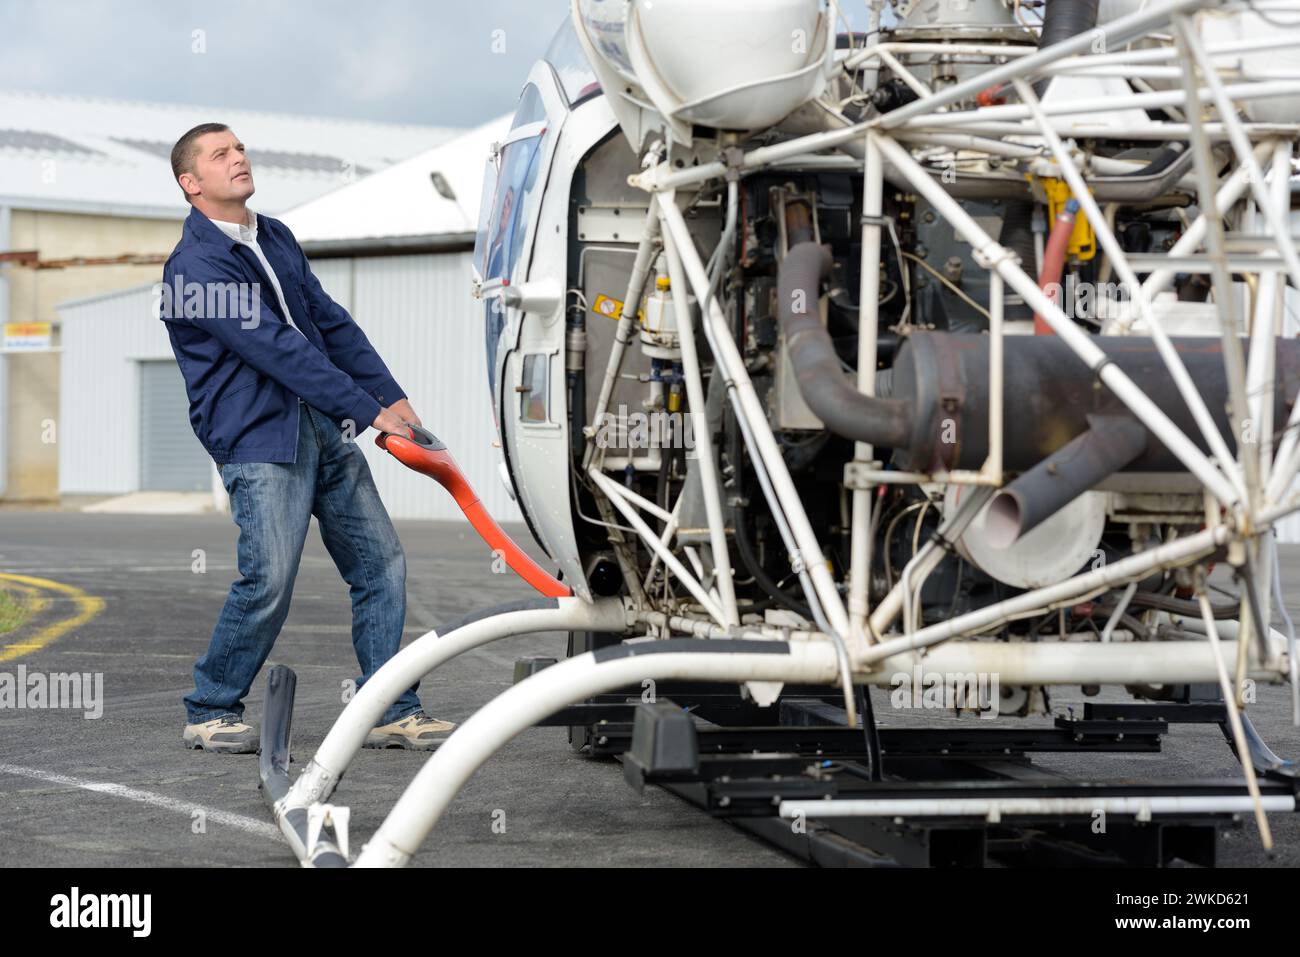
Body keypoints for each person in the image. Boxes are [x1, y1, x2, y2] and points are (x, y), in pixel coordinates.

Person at [158, 122, 454, 753]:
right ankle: (210, 708)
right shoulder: (194, 267)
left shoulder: (276, 235)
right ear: (192, 184)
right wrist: (369, 411)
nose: (238, 158)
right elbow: (277, 350)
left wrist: (392, 396)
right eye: (220, 154)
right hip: (261, 438)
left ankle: (388, 707)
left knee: (380, 563)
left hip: (323, 424)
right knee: (269, 578)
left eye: (239, 148)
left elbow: (328, 323)